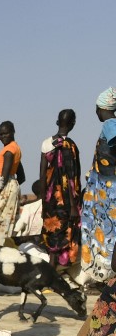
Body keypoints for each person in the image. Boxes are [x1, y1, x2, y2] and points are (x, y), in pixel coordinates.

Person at [38, 109, 82, 268]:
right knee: (63, 233)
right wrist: (73, 206)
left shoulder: (46, 143)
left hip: (50, 197)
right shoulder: (70, 145)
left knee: (52, 232)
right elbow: (71, 177)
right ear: (73, 124)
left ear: (58, 122)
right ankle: (55, 271)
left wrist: (43, 201)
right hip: (65, 199)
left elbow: (42, 175)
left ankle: (51, 270)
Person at [81, 88, 116, 283]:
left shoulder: (110, 124)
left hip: (109, 192)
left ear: (101, 108)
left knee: (107, 234)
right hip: (107, 188)